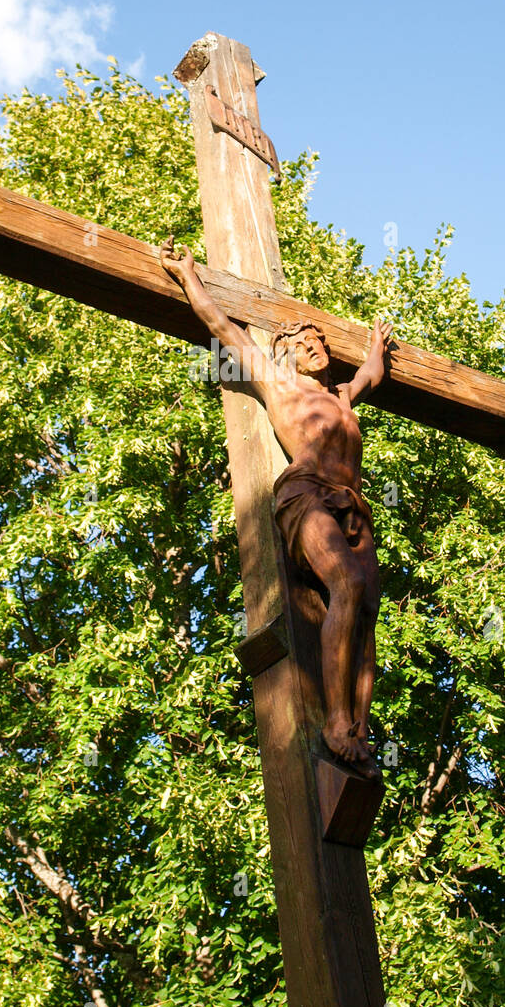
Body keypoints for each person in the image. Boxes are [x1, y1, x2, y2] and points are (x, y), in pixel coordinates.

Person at [160, 236, 392, 778]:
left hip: (353, 508)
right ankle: (335, 722)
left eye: (322, 343)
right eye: (308, 342)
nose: (319, 348)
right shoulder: (277, 380)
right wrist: (187, 274)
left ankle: (358, 728)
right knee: (348, 587)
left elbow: (370, 377)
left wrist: (377, 344)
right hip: (305, 494)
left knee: (367, 617)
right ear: (288, 351)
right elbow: (222, 326)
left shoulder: (340, 397)